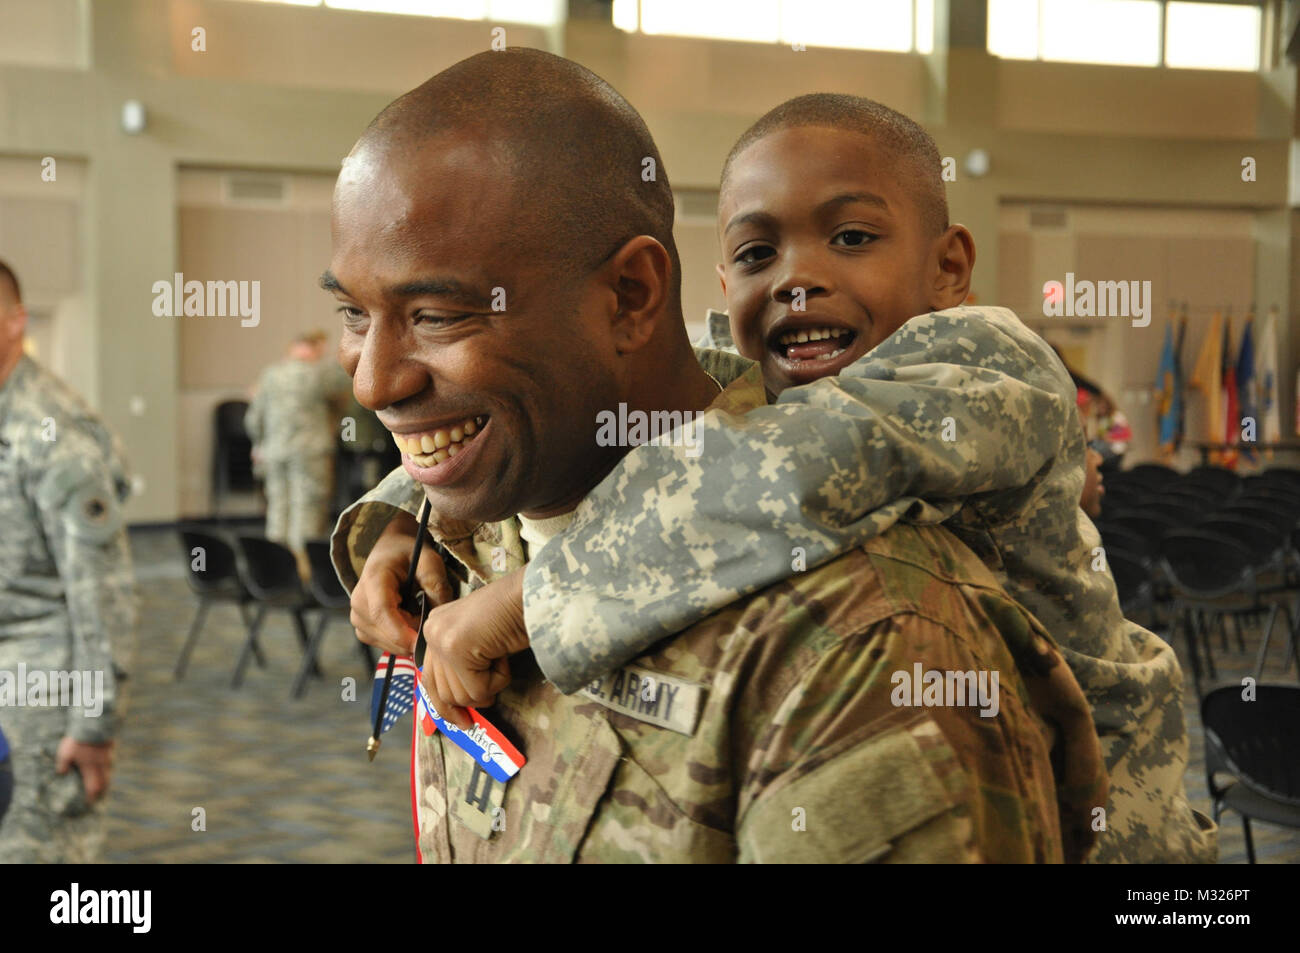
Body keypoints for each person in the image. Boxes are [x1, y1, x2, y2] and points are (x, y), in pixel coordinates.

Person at [350, 92, 1214, 864]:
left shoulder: (990, 363)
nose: (798, 277)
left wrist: (523, 601)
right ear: (725, 283)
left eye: (851, 237)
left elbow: (774, 473)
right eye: (759, 252)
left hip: (1118, 823)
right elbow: (708, 378)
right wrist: (405, 512)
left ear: (950, 266)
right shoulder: (791, 381)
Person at [0, 258, 137, 862]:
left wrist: (92, 723)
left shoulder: (51, 432)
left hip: (41, 685)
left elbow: (102, 593)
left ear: (14, 323)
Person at [245, 329, 350, 576]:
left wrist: (259, 444)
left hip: (274, 451)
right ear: (314, 349)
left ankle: (274, 571)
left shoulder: (270, 375)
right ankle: (304, 573)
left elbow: (254, 417)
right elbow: (349, 390)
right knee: (307, 508)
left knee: (278, 507)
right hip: (310, 453)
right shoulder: (321, 374)